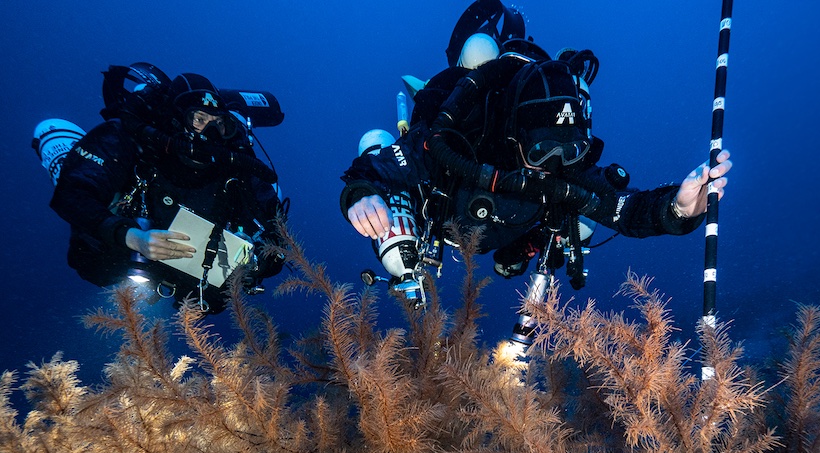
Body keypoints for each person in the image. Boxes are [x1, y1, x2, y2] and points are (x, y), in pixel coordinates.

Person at [339, 45, 731, 327]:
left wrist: (680, 208)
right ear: (516, 137)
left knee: (578, 224)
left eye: (569, 151)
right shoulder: (458, 141)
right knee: (393, 236)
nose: (552, 168)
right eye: (541, 151)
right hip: (443, 219)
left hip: (506, 235)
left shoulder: (565, 169)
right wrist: (361, 195)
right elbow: (373, 168)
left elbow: (627, 210)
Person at [47, 63, 288, 314]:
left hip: (187, 279)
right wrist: (133, 237)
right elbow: (71, 194)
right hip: (125, 247)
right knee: (93, 260)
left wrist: (255, 264)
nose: (211, 133)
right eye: (199, 119)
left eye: (220, 124)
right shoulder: (128, 138)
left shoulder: (235, 161)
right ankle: (68, 153)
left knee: (213, 300)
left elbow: (277, 236)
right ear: (175, 119)